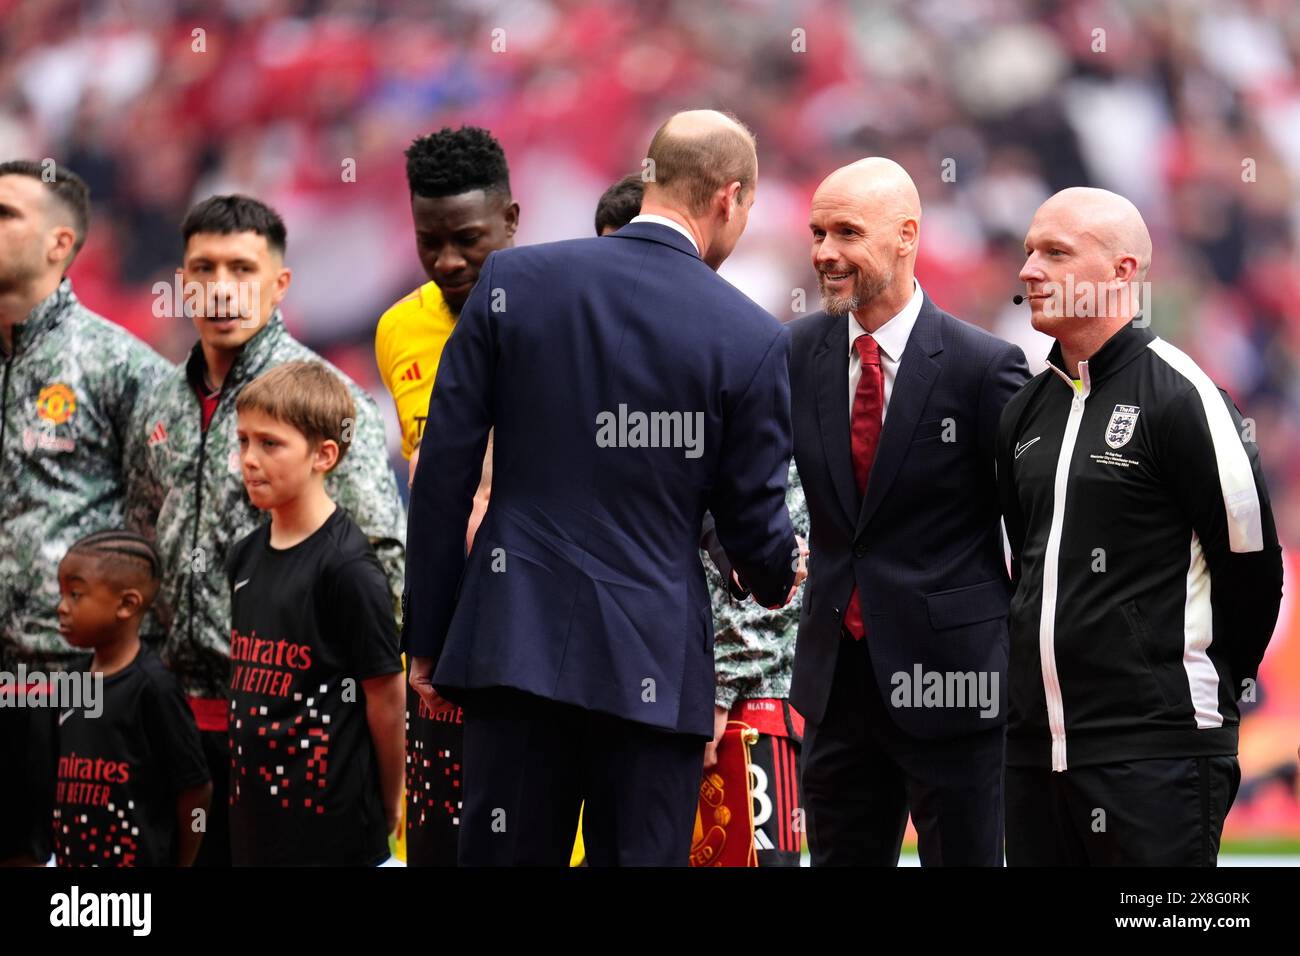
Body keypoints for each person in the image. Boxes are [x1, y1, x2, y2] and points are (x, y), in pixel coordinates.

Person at [405, 109, 802, 866]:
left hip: (511, 648)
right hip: (652, 670)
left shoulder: (512, 282)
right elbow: (754, 528)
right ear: (729, 198)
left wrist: (429, 636)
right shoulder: (751, 337)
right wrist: (780, 570)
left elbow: (444, 474)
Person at [997, 186, 1283, 866]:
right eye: (1030, 251)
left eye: (1056, 253)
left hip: (1158, 757)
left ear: (1122, 271)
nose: (1029, 270)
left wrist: (1175, 694)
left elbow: (1252, 572)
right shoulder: (1022, 413)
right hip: (1036, 756)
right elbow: (1024, 569)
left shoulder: (1184, 397)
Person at [124, 195, 406, 865]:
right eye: (205, 269)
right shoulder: (158, 401)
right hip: (174, 724)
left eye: (243, 269)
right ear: (183, 282)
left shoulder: (329, 401)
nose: (222, 288)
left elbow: (382, 568)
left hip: (292, 733)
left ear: (280, 283)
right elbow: (139, 550)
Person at [789, 158, 1029, 866]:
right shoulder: (794, 352)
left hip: (956, 685)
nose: (825, 252)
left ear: (906, 236)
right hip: (836, 688)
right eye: (818, 233)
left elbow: (1032, 534)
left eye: (846, 233)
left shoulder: (984, 368)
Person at [597, 172, 810, 866]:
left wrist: (715, 693)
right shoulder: (592, 394)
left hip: (741, 706)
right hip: (627, 699)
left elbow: (779, 556)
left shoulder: (739, 360)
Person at [0, 160, 171, 866]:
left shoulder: (120, 366)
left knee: (93, 875)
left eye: (5, 214)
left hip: (77, 676)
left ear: (59, 242)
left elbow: (162, 527)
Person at [374, 126, 517, 865]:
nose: (448, 261)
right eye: (430, 241)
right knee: (439, 843)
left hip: (536, 630)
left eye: (468, 239)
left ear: (511, 221)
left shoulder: (561, 317)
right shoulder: (398, 329)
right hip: (440, 635)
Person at [225, 362, 405, 866]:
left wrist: (390, 799)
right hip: (257, 830)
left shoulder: (348, 568)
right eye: (243, 441)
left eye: (270, 444)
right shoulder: (243, 556)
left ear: (324, 455)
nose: (249, 459)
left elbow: (387, 698)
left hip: (336, 834)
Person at [51, 530, 211, 867]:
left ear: (126, 605)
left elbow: (197, 789)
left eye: (75, 594)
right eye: (61, 593)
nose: (61, 607)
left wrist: (185, 863)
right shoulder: (70, 680)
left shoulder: (154, 688)